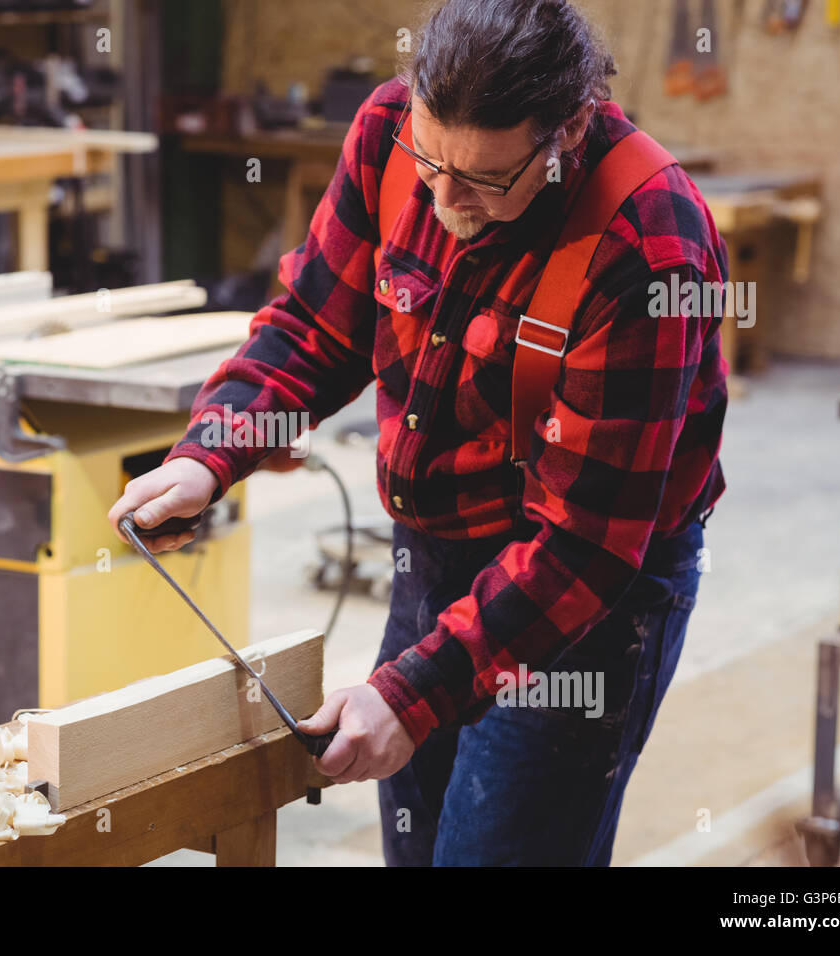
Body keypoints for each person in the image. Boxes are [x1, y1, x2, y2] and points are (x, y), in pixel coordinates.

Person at [109, 0, 727, 866]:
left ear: (569, 129)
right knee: (417, 838)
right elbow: (317, 327)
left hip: (586, 590)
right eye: (431, 161)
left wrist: (412, 693)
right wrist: (212, 452)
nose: (443, 201)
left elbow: (585, 547)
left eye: (485, 180)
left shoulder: (647, 247)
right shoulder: (391, 132)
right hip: (435, 548)